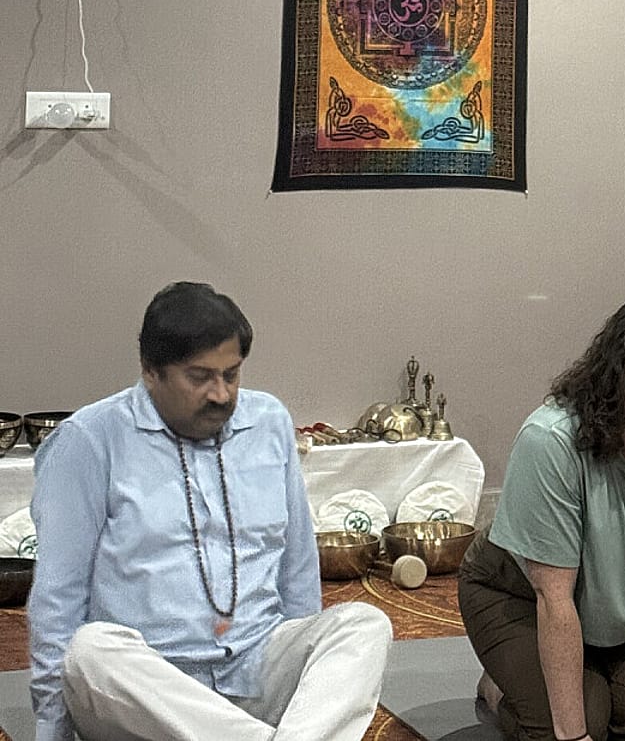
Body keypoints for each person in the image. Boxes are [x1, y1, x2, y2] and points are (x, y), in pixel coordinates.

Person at [28, 282, 393, 741]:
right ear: (150, 372)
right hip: (148, 691)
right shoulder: (89, 441)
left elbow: (297, 568)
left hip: (255, 666)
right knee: (90, 652)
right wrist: (52, 728)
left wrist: (304, 665)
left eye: (232, 375)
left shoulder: (268, 422)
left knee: (363, 625)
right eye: (200, 377)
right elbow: (57, 599)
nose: (221, 394)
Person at [458, 295, 625, 741]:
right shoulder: (550, 441)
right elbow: (554, 599)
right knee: (575, 723)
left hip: (618, 609)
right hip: (520, 595)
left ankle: (594, 679)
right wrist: (575, 737)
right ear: (617, 378)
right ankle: (501, 688)